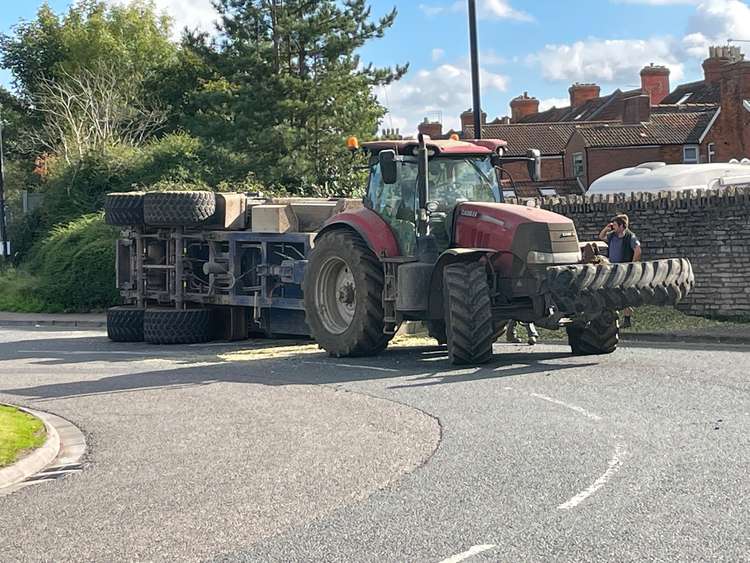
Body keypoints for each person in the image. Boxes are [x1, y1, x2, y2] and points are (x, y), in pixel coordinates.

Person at [599, 214, 642, 328]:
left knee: (623, 293)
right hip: (613, 269)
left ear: (622, 226)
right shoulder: (612, 235)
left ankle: (626, 318)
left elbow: (637, 250)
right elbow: (601, 237)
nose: (614, 227)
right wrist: (606, 228)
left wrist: (631, 265)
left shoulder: (630, 237)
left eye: (616, 225)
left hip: (624, 270)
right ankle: (621, 315)